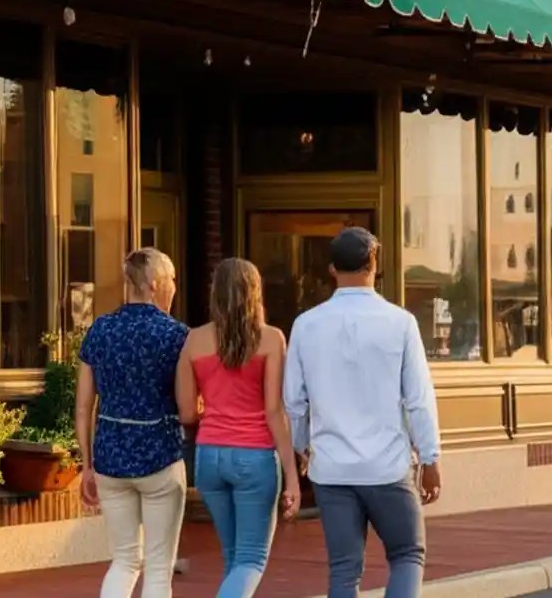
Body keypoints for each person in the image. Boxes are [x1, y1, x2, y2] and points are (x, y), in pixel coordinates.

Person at [283, 227, 442, 598]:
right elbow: (418, 397)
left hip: (332, 468)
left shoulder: (306, 325)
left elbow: (294, 400)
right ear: (375, 263)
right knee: (407, 554)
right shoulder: (401, 322)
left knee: (343, 571)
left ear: (332, 270)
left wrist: (302, 446)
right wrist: (430, 457)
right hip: (387, 465)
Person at [175, 257, 301, 598]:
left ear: (216, 294)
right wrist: (292, 475)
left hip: (209, 457)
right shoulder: (272, 339)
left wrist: (215, 408)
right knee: (251, 559)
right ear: (255, 293)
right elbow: (275, 411)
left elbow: (186, 413)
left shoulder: (193, 341)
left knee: (234, 558)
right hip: (255, 457)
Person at [75, 248, 188, 598]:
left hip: (110, 457)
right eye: (171, 282)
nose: (174, 289)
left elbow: (83, 407)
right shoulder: (176, 335)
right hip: (160, 456)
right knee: (158, 567)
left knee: (124, 560)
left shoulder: (100, 330)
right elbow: (188, 405)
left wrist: (87, 465)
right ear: (154, 285)